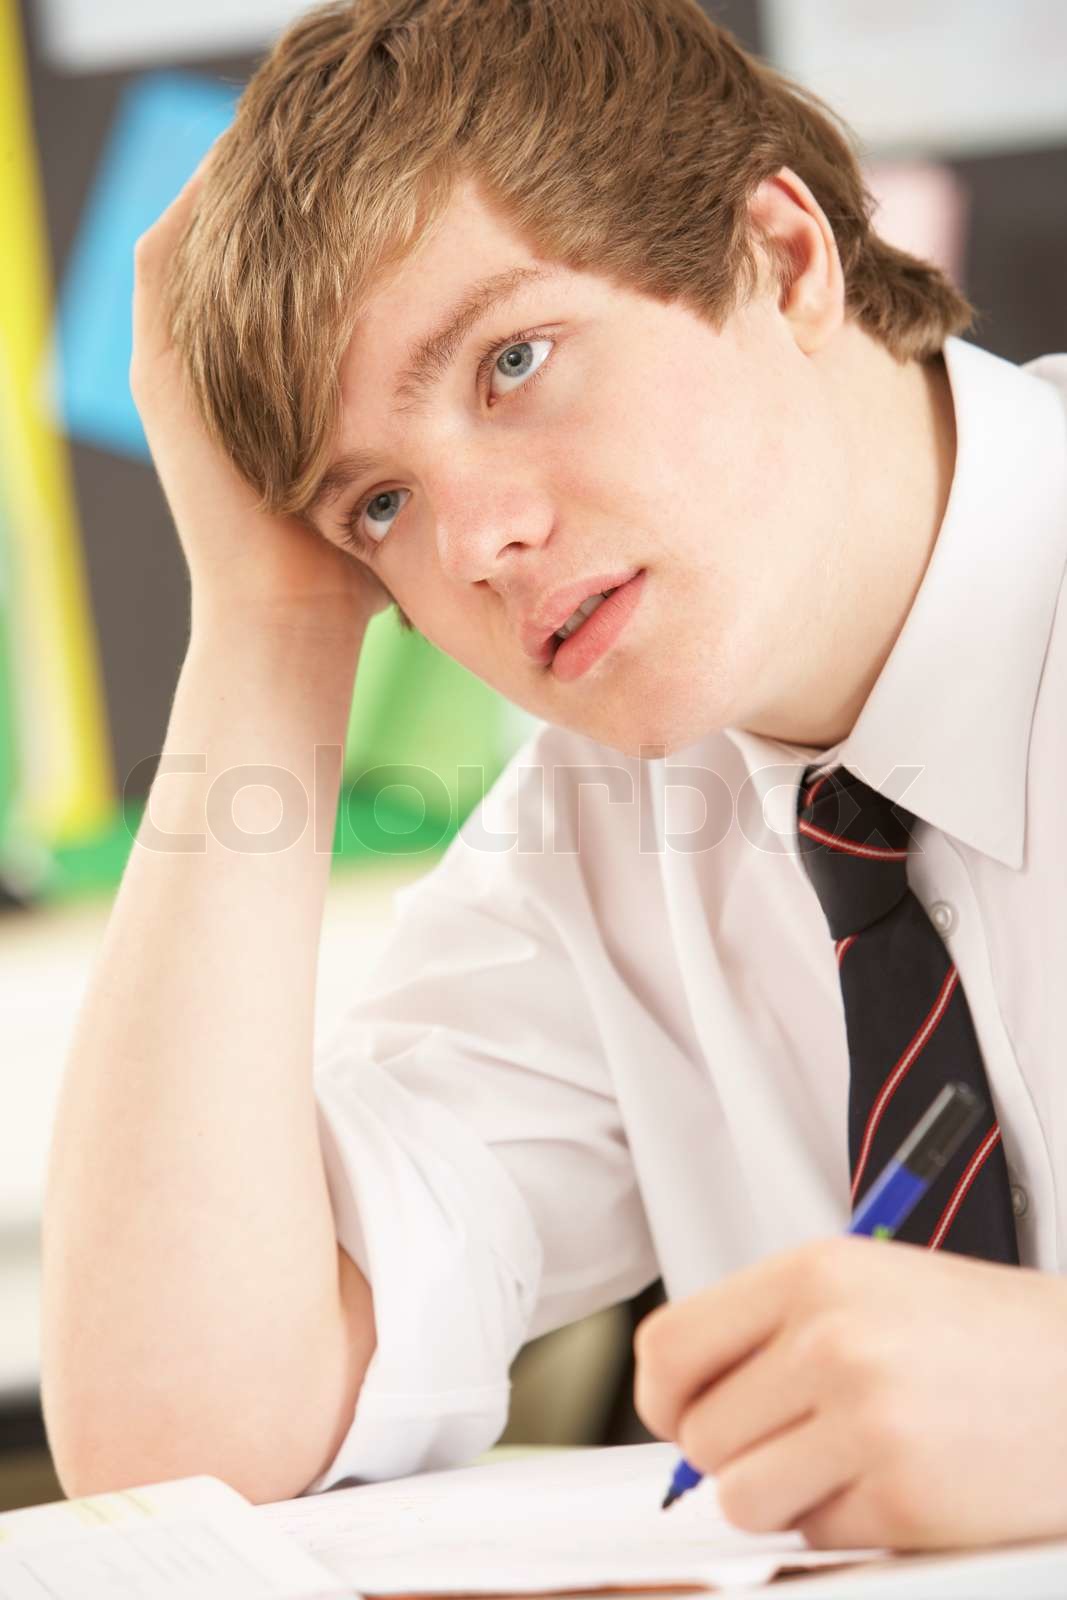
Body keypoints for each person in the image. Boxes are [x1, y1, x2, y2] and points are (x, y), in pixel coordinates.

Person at [41, 0, 1067, 1553]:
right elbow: (179, 1435)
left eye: (514, 360)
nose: (470, 546)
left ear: (783, 258)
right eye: (379, 506)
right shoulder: (600, 830)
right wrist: (266, 623)